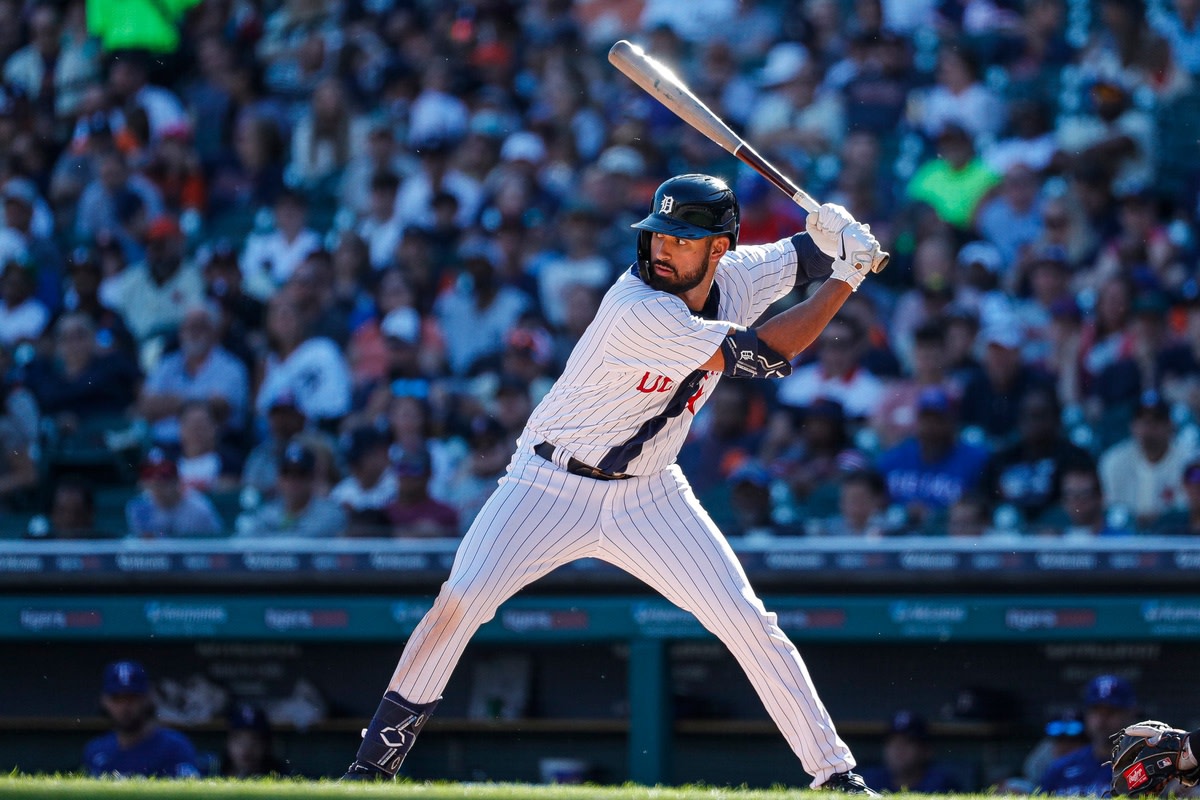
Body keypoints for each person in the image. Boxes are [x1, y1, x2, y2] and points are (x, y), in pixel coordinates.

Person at [340, 174, 883, 794]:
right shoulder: (636, 308)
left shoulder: (739, 275)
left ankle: (834, 774)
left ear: (719, 249)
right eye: (659, 235)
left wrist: (836, 235)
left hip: (649, 493)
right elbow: (765, 354)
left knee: (746, 619)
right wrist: (848, 276)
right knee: (460, 601)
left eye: (683, 240)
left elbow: (799, 257)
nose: (663, 249)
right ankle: (372, 769)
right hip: (547, 483)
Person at [83, 660, 201, 779]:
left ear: (147, 698)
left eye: (132, 698)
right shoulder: (96, 750)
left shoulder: (174, 747)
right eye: (117, 698)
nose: (125, 707)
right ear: (104, 700)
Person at [1038, 675, 1141, 796]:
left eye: (1111, 712)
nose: (1102, 720)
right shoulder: (1061, 769)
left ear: (1130, 715)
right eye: (1096, 711)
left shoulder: (1149, 766)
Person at [859, 710, 962, 792]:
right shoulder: (868, 782)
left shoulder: (942, 784)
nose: (899, 748)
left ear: (926, 750)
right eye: (893, 742)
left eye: (908, 742)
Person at [221, 702, 289, 778]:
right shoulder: (212, 773)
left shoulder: (283, 776)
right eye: (239, 739)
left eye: (254, 740)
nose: (246, 747)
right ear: (227, 742)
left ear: (266, 744)